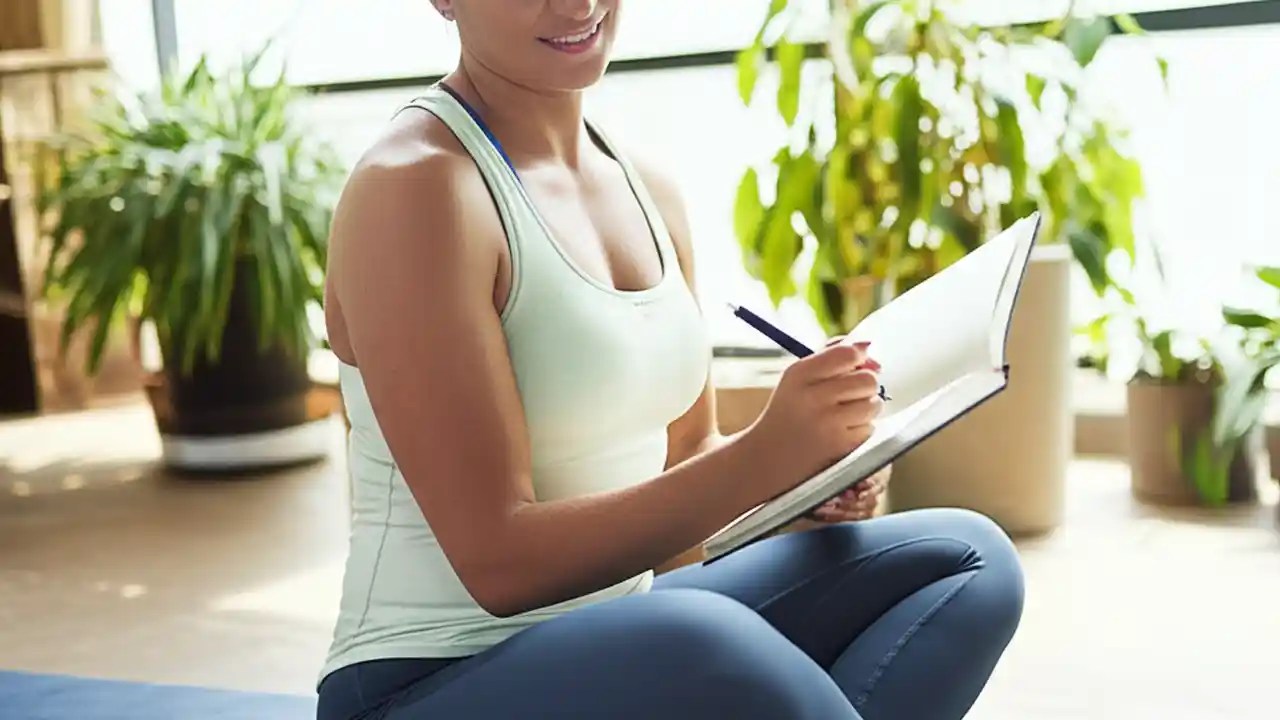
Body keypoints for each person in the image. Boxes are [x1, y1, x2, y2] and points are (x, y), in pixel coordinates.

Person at [317, 1, 1024, 718]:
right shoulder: (414, 189)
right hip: (424, 679)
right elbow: (496, 563)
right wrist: (765, 456)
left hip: (629, 629)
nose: (577, 4)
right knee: (704, 639)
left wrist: (811, 487)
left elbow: (686, 468)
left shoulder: (644, 185)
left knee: (968, 560)